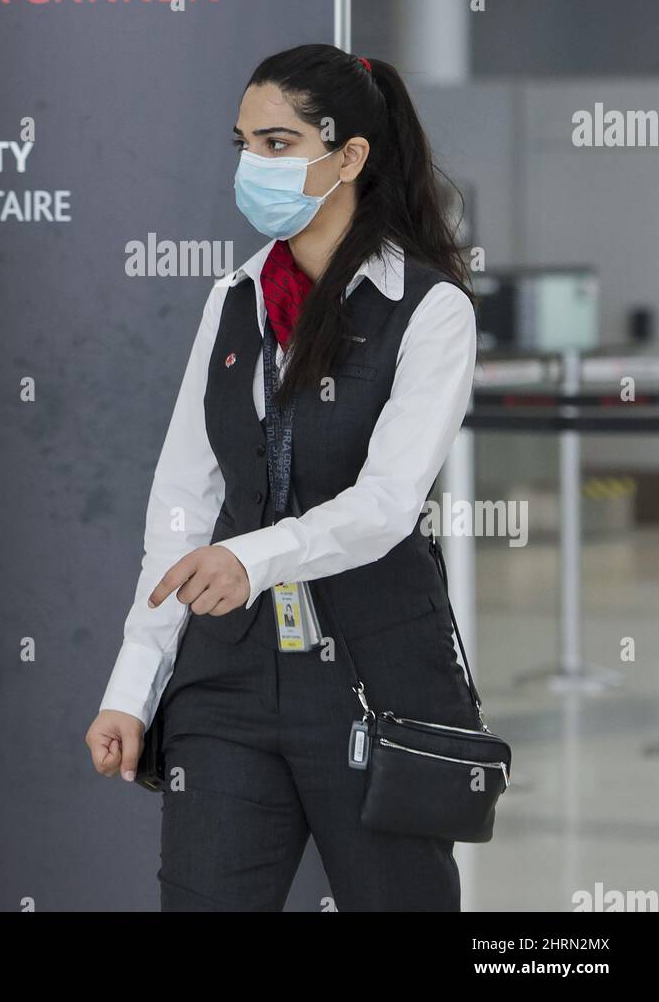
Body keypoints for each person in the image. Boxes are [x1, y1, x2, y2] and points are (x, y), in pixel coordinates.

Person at [84, 44, 481, 912]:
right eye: (243, 145)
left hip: (375, 682)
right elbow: (182, 506)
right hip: (225, 683)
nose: (251, 166)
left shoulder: (431, 309)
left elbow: (385, 506)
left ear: (349, 158)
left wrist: (250, 559)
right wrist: (132, 688)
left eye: (276, 144)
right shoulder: (231, 300)